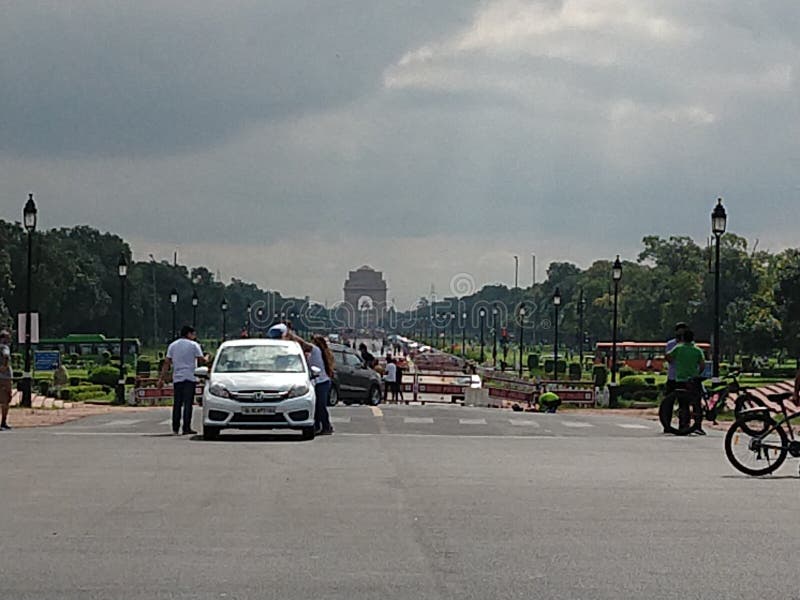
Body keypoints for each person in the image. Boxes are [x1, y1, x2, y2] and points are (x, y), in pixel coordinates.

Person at [158, 325, 210, 435]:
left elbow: (167, 363)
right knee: (188, 404)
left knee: (177, 403)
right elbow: (202, 360)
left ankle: (175, 428)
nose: (194, 336)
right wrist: (207, 357)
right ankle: (186, 428)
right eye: (193, 334)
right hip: (190, 377)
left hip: (177, 378)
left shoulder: (173, 345)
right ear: (189, 334)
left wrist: (161, 378)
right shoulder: (194, 345)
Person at [286, 330, 334, 435]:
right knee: (316, 406)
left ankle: (326, 427)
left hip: (322, 382)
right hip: (318, 381)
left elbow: (303, 343)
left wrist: (292, 335)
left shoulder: (316, 350)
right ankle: (318, 426)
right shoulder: (317, 352)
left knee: (320, 406)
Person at [665, 328, 706, 434]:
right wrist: (698, 373)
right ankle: (698, 426)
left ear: (683, 338)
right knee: (696, 403)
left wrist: (674, 362)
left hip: (681, 379)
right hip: (693, 380)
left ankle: (684, 425)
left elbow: (668, 356)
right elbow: (702, 365)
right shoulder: (697, 350)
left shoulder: (678, 348)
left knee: (683, 404)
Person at [665, 323, 688, 395]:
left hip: (685, 378)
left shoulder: (689, 345)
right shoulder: (670, 344)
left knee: (684, 399)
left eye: (683, 333)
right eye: (680, 333)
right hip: (673, 376)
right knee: (669, 398)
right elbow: (669, 359)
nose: (681, 335)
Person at [0, 330, 14, 430]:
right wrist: (4, 366)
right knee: (6, 399)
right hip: (4, 377)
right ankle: (3, 422)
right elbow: (6, 355)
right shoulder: (4, 347)